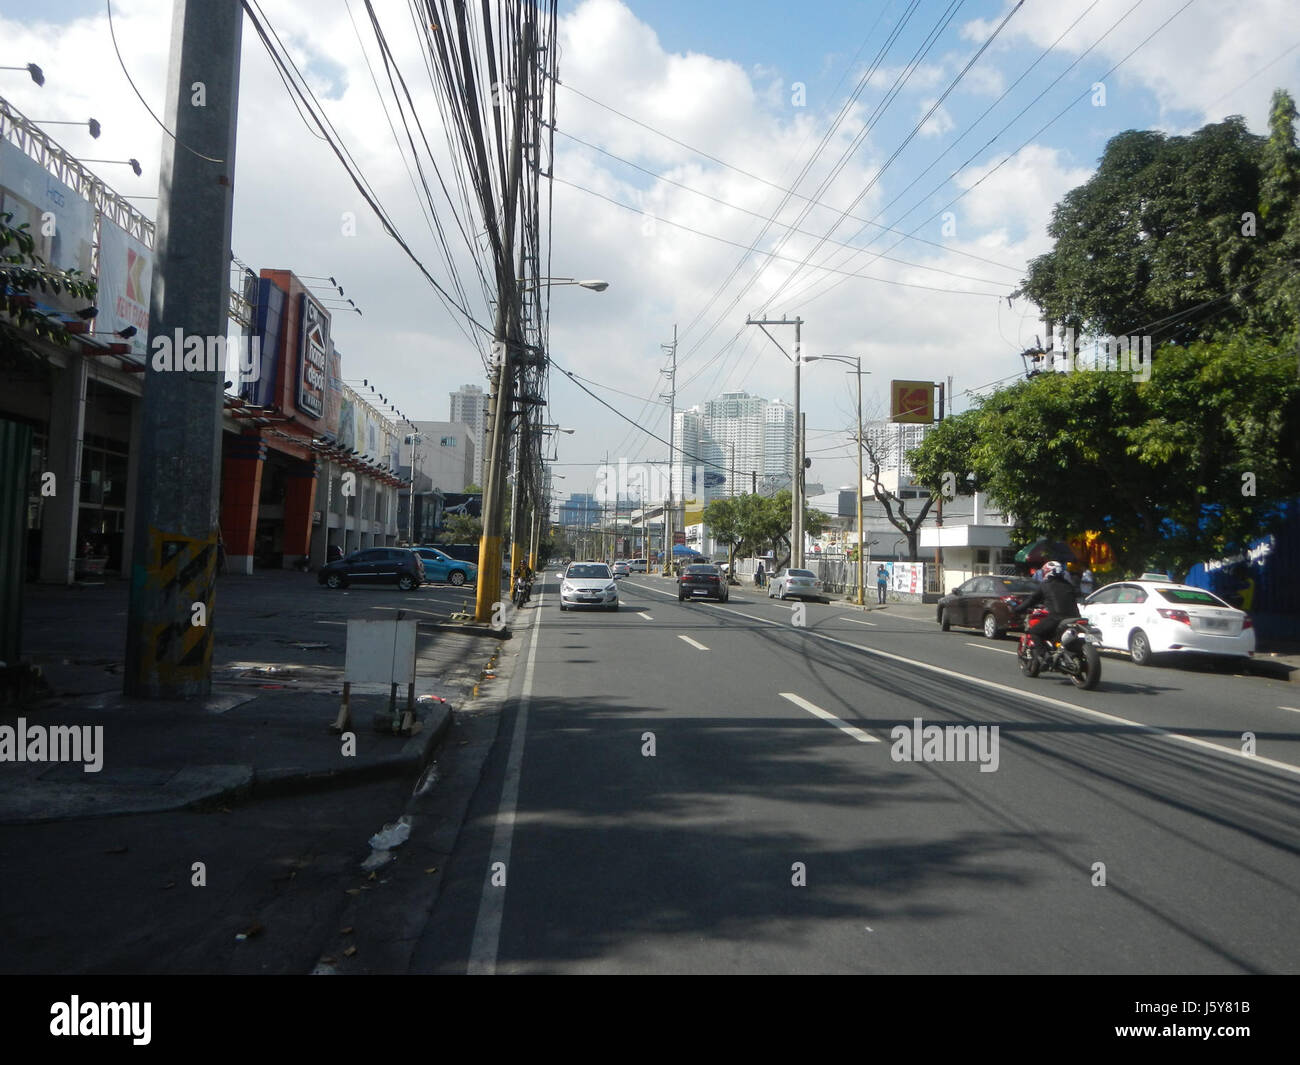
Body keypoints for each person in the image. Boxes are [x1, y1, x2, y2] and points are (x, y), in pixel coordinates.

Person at [1012, 561, 1079, 659]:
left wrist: (1017, 609)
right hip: (1075, 617)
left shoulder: (1045, 585)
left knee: (1034, 632)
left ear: (1048, 572)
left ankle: (1045, 656)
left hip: (1057, 617)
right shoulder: (1068, 585)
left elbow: (1032, 600)